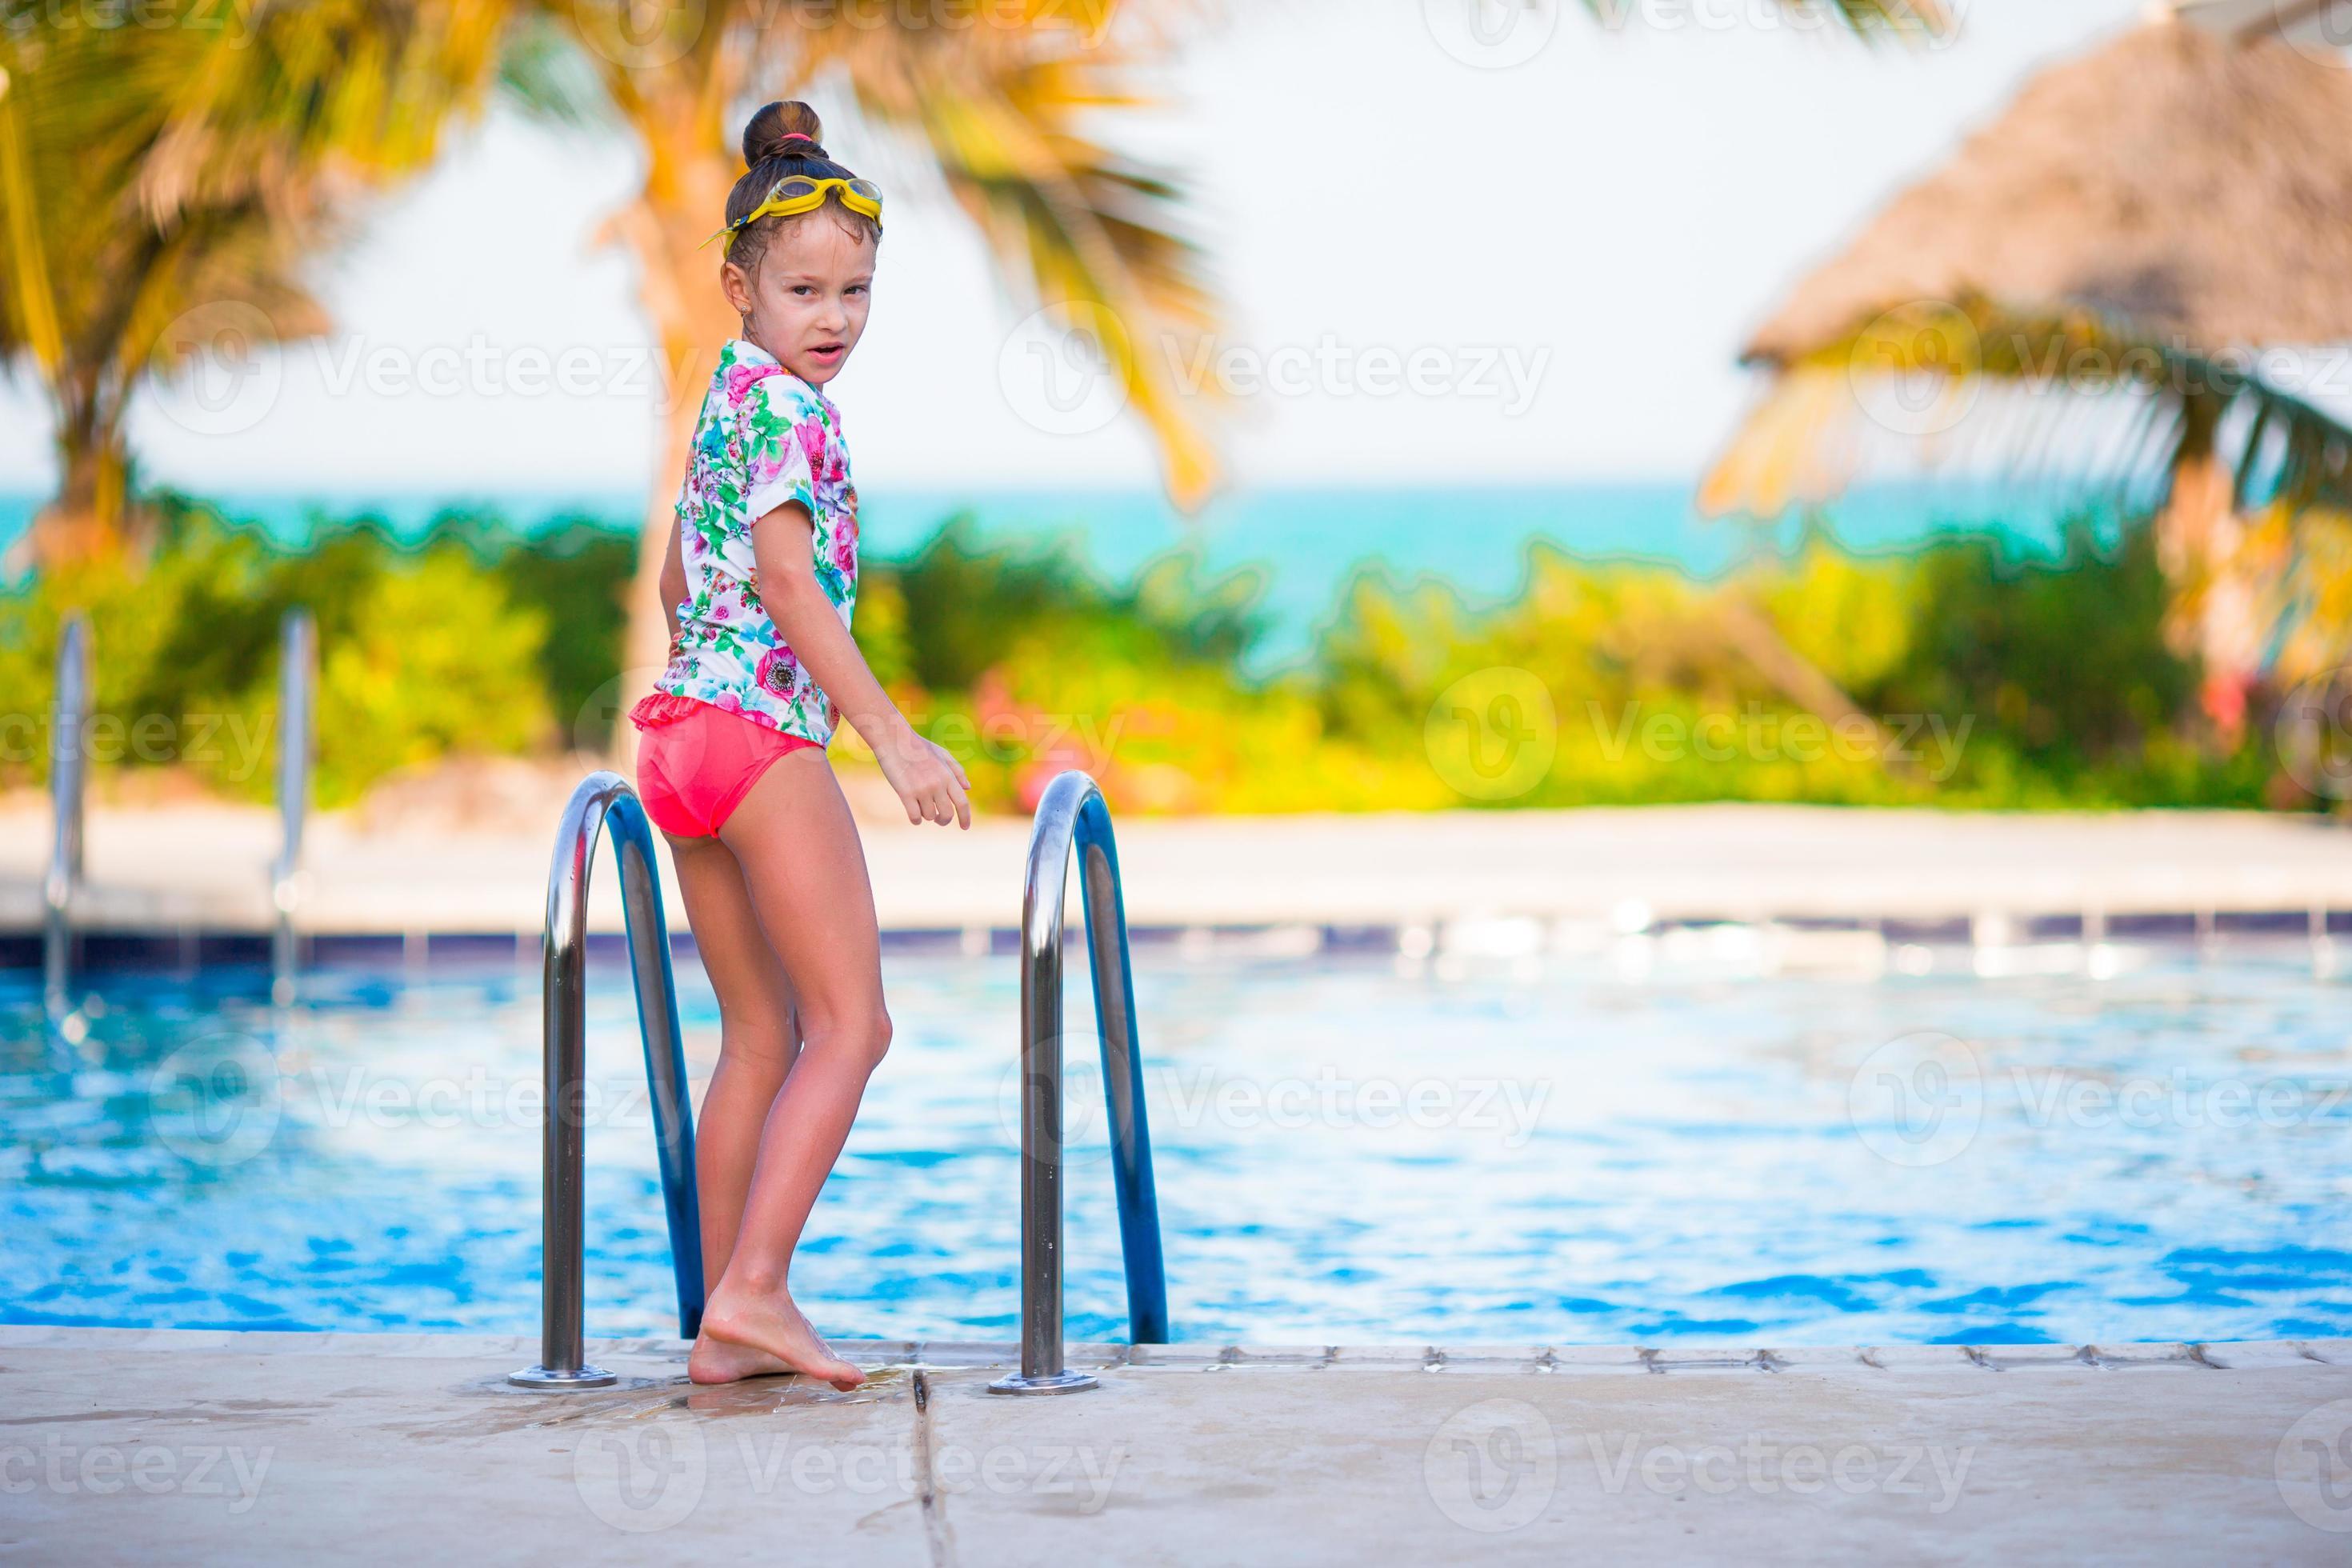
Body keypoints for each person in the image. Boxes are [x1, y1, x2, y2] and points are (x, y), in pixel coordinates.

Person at [630, 98, 970, 1390]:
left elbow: (678, 578)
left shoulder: (723, 394)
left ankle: (726, 1324)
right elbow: (785, 579)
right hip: (759, 741)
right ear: (740, 286)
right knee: (853, 1026)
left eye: (858, 292)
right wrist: (887, 736)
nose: (835, 317)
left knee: (758, 1039)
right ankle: (760, 1288)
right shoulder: (793, 412)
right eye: (805, 289)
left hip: (678, 737)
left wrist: (705, 694)